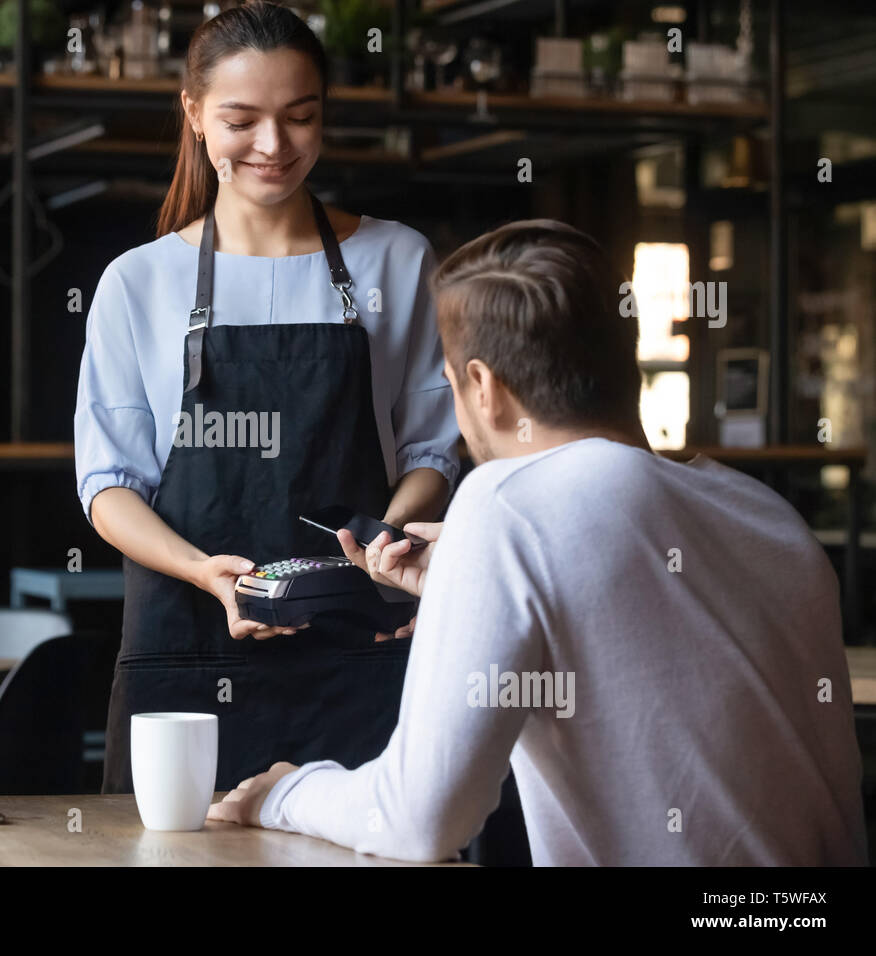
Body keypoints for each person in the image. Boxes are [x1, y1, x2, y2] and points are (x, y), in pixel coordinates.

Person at [207, 219, 870, 866]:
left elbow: (416, 821)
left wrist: (281, 793)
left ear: (483, 388)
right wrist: (468, 584)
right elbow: (655, 651)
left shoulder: (505, 501)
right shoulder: (769, 515)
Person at [74, 1, 460, 793]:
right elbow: (108, 485)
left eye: (300, 117)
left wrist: (377, 545)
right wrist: (205, 573)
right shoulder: (138, 282)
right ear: (193, 115)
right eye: (242, 120)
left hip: (360, 644)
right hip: (187, 651)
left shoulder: (397, 259)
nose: (274, 146)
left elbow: (431, 450)